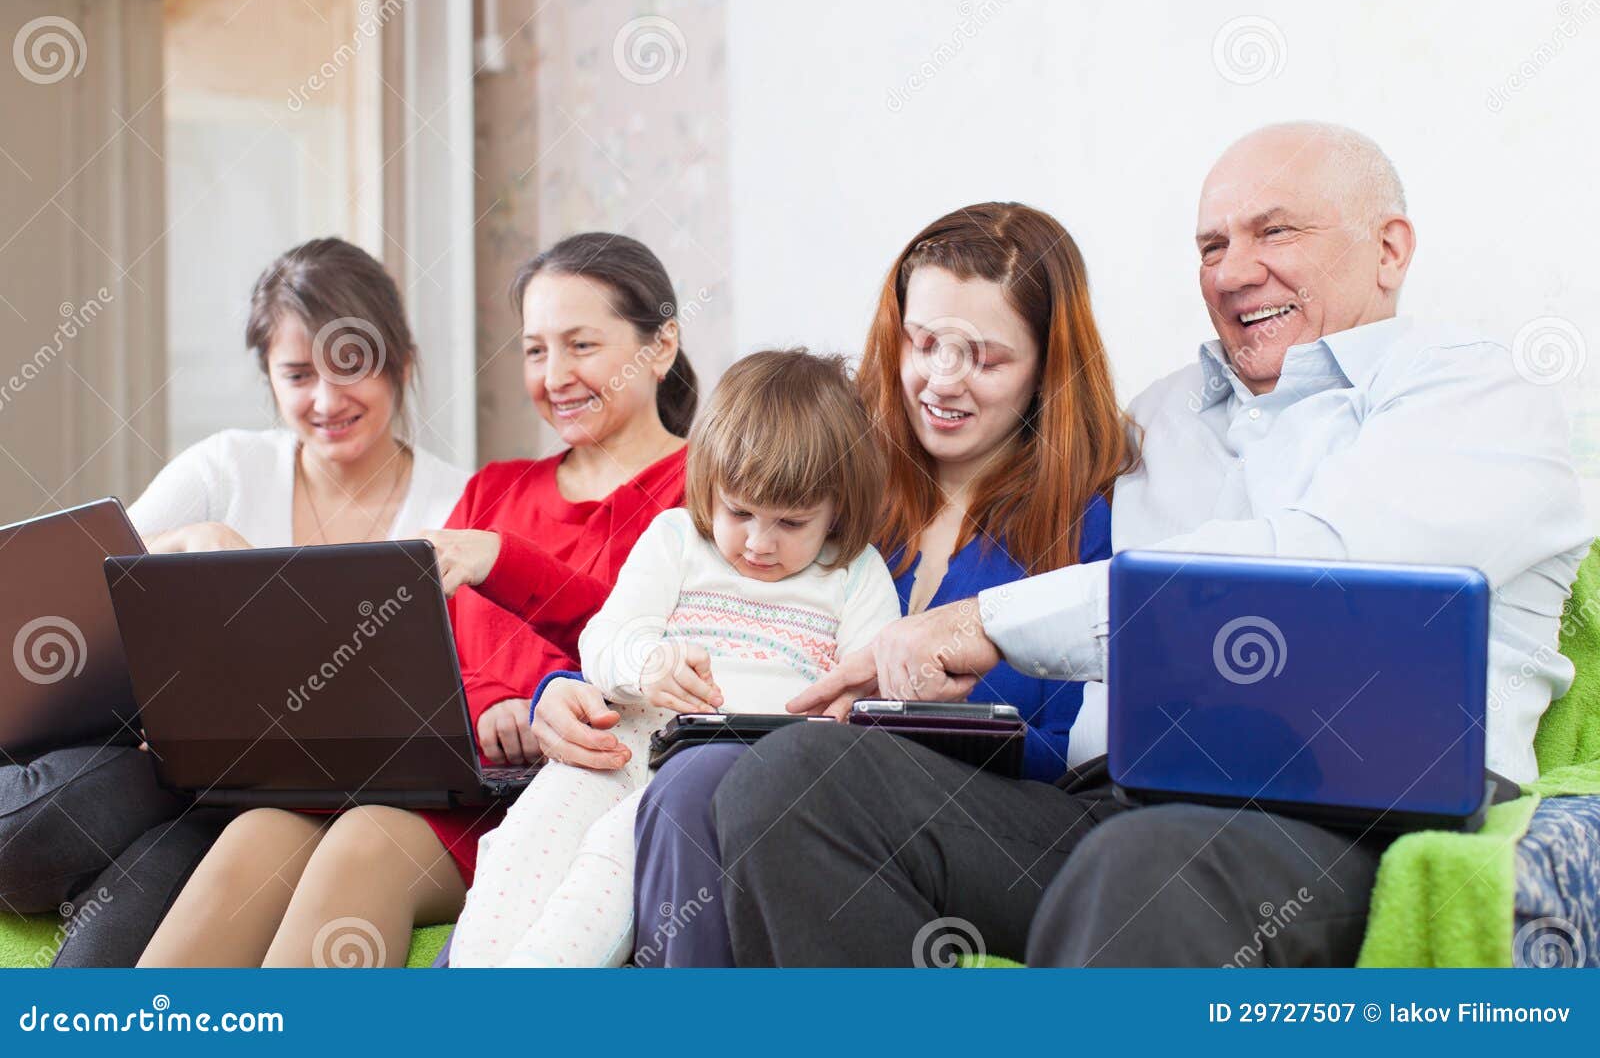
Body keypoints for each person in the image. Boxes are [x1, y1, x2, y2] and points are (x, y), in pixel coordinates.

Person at [709, 122, 1593, 967]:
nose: (1235, 272)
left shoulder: (1474, 393)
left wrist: (982, 621)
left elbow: (1322, 566)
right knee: (791, 783)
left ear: (1390, 248)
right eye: (1212, 247)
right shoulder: (1154, 420)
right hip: (1107, 804)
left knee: (1144, 867)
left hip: (1345, 809)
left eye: (1273, 231)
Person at [137, 232, 699, 967]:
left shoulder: (709, 499)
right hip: (448, 770)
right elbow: (435, 653)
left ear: (660, 347)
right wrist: (502, 694)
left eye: (582, 345)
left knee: (362, 847)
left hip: (553, 796)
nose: (555, 374)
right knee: (254, 834)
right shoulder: (494, 490)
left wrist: (521, 629)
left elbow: (638, 643)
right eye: (534, 351)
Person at [599, 200, 1137, 965]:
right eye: (923, 343)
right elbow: (668, 585)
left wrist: (950, 715)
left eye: (984, 358)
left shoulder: (1088, 519)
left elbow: (1081, 752)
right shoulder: (828, 475)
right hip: (772, 761)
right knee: (698, 779)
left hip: (981, 816)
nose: (941, 381)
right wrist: (561, 683)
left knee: (735, 780)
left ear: (1048, 365)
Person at [0, 238, 467, 967]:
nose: (325, 399)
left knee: (106, 920)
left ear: (401, 361)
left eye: (353, 366)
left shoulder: (457, 504)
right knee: (36, 838)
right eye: (297, 373)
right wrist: (195, 538)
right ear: (268, 378)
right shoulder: (228, 466)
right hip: (176, 773)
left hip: (291, 803)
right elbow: (94, 580)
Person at [451, 349, 900, 967]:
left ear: (838, 513)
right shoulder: (676, 539)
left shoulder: (855, 574)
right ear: (709, 483)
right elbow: (603, 641)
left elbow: (872, 698)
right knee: (518, 846)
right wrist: (647, 665)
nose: (758, 543)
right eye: (739, 511)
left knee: (612, 860)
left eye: (792, 523)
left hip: (719, 780)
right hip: (620, 745)